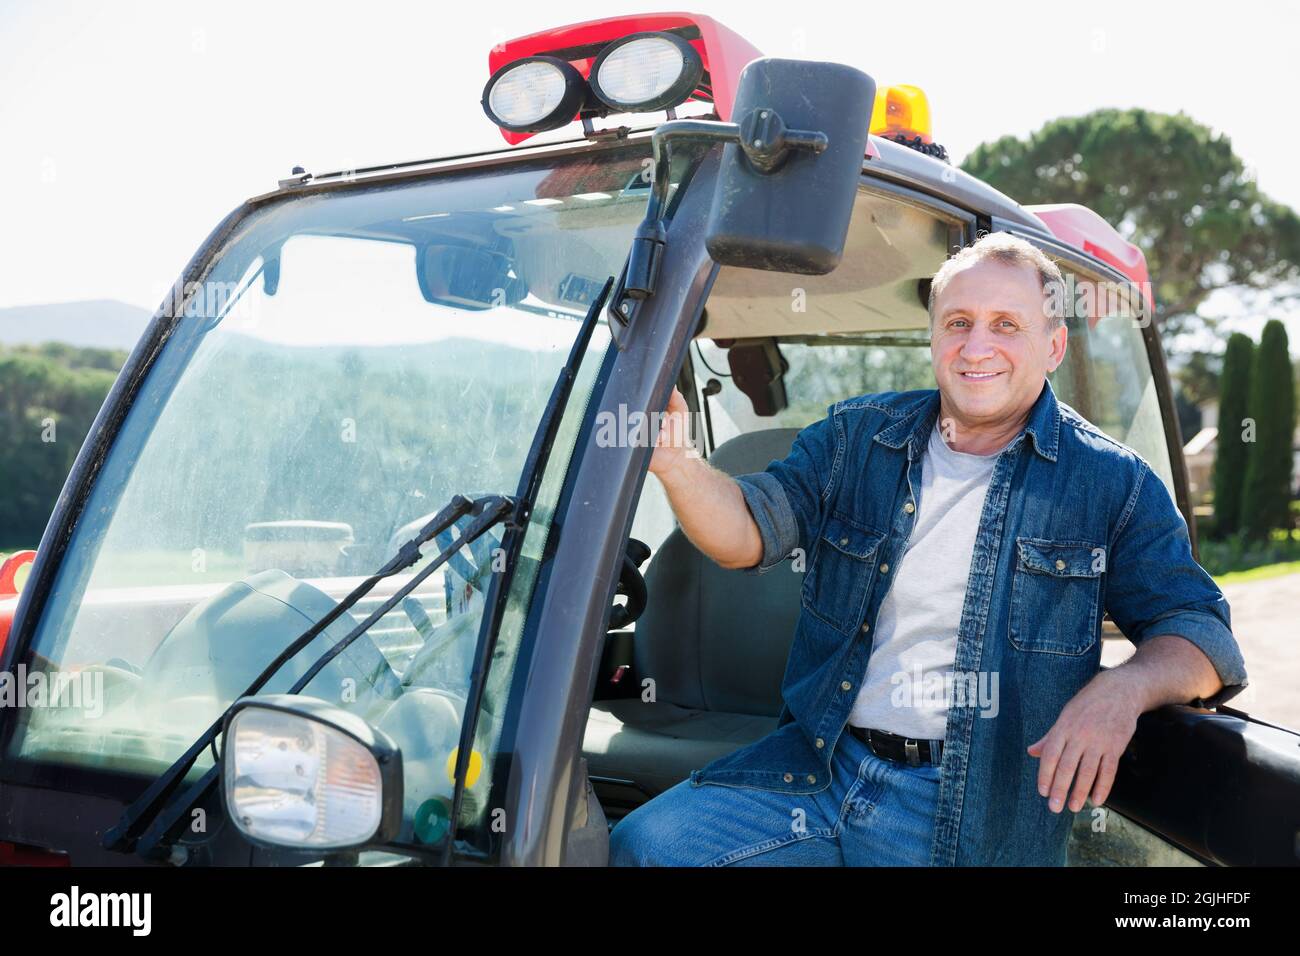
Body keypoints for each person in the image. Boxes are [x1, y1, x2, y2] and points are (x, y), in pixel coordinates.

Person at [608, 232, 1248, 866]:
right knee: (646, 847)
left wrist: (1122, 691)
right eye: (958, 323)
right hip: (825, 767)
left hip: (968, 804)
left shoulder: (1113, 484)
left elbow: (1202, 636)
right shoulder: (857, 439)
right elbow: (745, 533)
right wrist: (678, 464)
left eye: (1006, 325)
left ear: (1053, 347)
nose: (977, 346)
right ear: (934, 338)